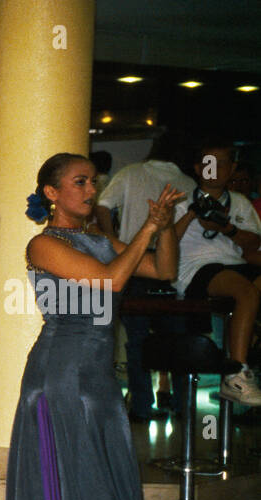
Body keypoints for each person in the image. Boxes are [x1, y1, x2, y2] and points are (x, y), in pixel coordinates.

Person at [0, 154, 181, 500]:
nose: (91, 190)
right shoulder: (44, 245)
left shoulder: (98, 239)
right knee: (64, 480)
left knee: (97, 477)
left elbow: (163, 272)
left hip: (97, 374)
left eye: (93, 182)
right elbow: (109, 280)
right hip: (61, 371)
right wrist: (144, 232)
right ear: (52, 193)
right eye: (80, 182)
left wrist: (165, 225)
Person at [95, 133, 196, 420]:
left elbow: (103, 206)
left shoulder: (130, 173)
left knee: (137, 341)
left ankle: (141, 406)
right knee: (176, 341)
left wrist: (111, 240)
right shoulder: (188, 185)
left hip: (133, 261)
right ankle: (182, 406)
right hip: (169, 266)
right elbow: (180, 234)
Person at [171, 141, 261, 405]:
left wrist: (225, 227)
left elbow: (253, 244)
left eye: (222, 164)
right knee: (246, 291)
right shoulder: (181, 198)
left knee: (249, 289)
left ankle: (248, 344)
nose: (215, 170)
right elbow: (165, 241)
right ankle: (236, 374)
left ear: (232, 168)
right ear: (198, 168)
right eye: (210, 163)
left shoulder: (240, 203)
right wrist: (192, 214)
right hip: (195, 268)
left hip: (233, 264)